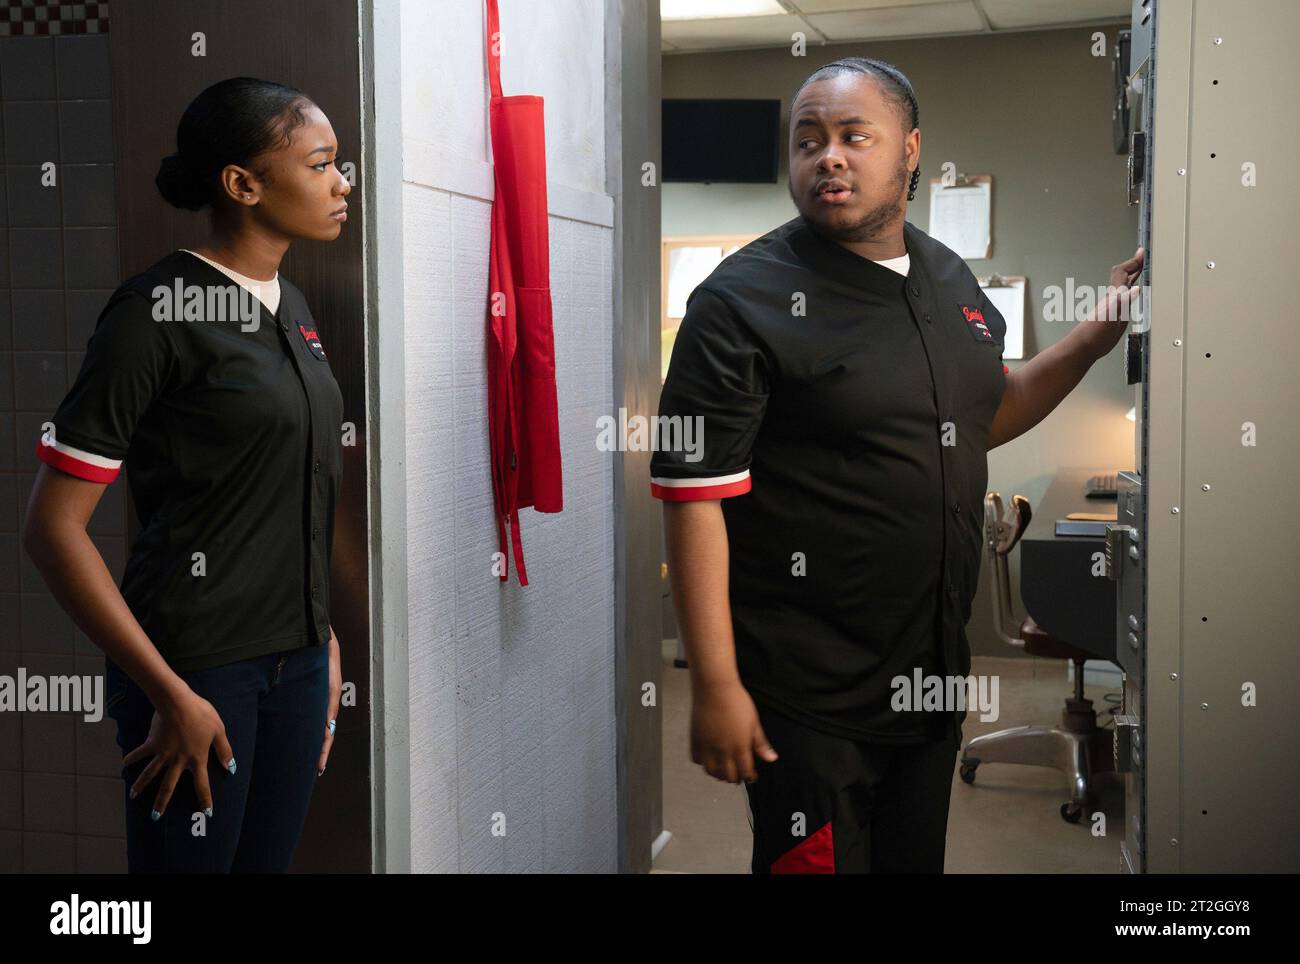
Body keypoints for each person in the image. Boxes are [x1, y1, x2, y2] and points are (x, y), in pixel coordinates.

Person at [652, 57, 1142, 873]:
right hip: (810, 695)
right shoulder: (739, 302)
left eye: (853, 135)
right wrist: (715, 684)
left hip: (929, 681)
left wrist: (1096, 334)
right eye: (807, 141)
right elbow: (693, 499)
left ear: (910, 150)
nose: (828, 156)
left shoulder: (944, 275)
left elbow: (988, 411)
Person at [22, 77, 352, 873]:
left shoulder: (293, 305)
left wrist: (325, 639)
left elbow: (285, 499)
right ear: (242, 185)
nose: (343, 183)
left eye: (341, 165)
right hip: (196, 674)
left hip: (300, 664)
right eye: (321, 164)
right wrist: (169, 692)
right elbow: (51, 529)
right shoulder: (153, 313)